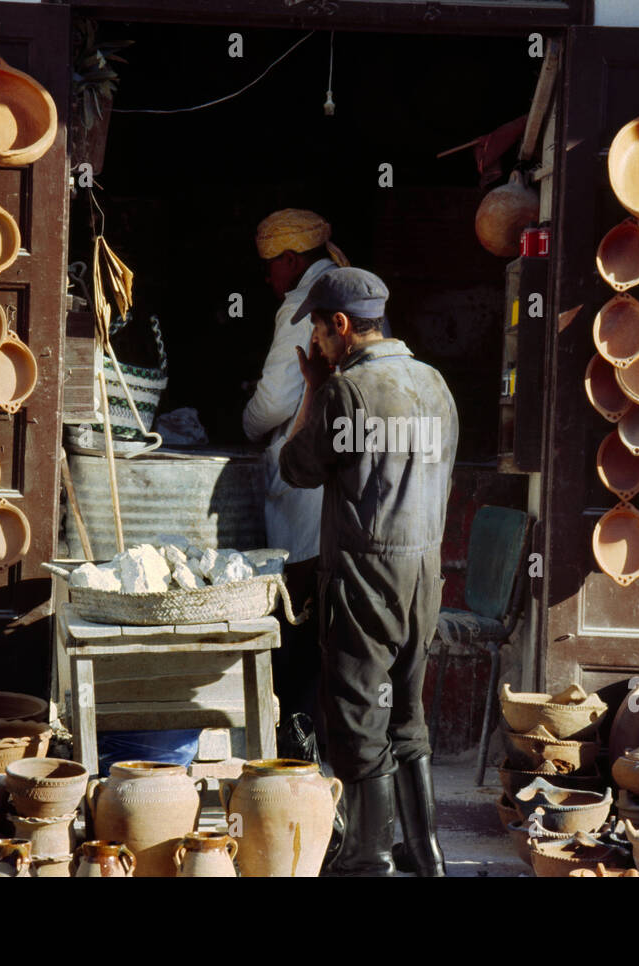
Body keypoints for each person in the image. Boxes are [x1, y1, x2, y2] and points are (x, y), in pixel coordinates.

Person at [279, 267, 458, 877]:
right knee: (406, 713)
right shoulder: (435, 386)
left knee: (358, 713)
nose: (320, 348)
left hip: (364, 574)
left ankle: (368, 853)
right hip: (424, 571)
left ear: (343, 326)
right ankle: (425, 849)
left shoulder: (344, 392)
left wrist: (311, 390)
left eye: (322, 335)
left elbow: (295, 468)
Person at [244, 209, 349, 738]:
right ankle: (309, 727)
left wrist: (244, 424)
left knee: (298, 600)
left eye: (271, 266)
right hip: (339, 476)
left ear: (290, 258)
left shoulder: (301, 306)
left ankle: (294, 727)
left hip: (308, 475)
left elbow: (274, 399)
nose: (268, 278)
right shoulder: (350, 293)